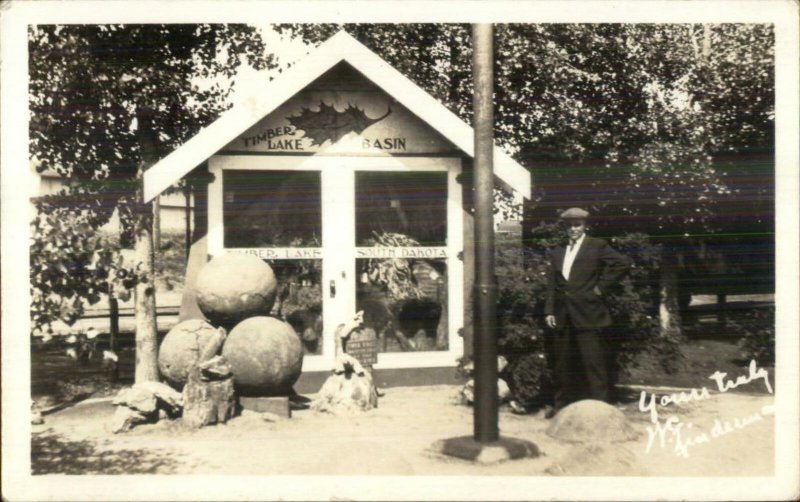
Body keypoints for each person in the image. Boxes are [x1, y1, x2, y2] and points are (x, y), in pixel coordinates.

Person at [544, 208, 630, 418]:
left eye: (577, 225)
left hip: (588, 313)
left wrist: (600, 288)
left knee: (593, 363)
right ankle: (561, 408)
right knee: (562, 363)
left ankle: (601, 410)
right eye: (569, 225)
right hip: (563, 315)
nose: (573, 229)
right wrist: (549, 311)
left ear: (585, 226)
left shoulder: (596, 246)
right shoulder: (558, 252)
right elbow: (552, 284)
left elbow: (622, 263)